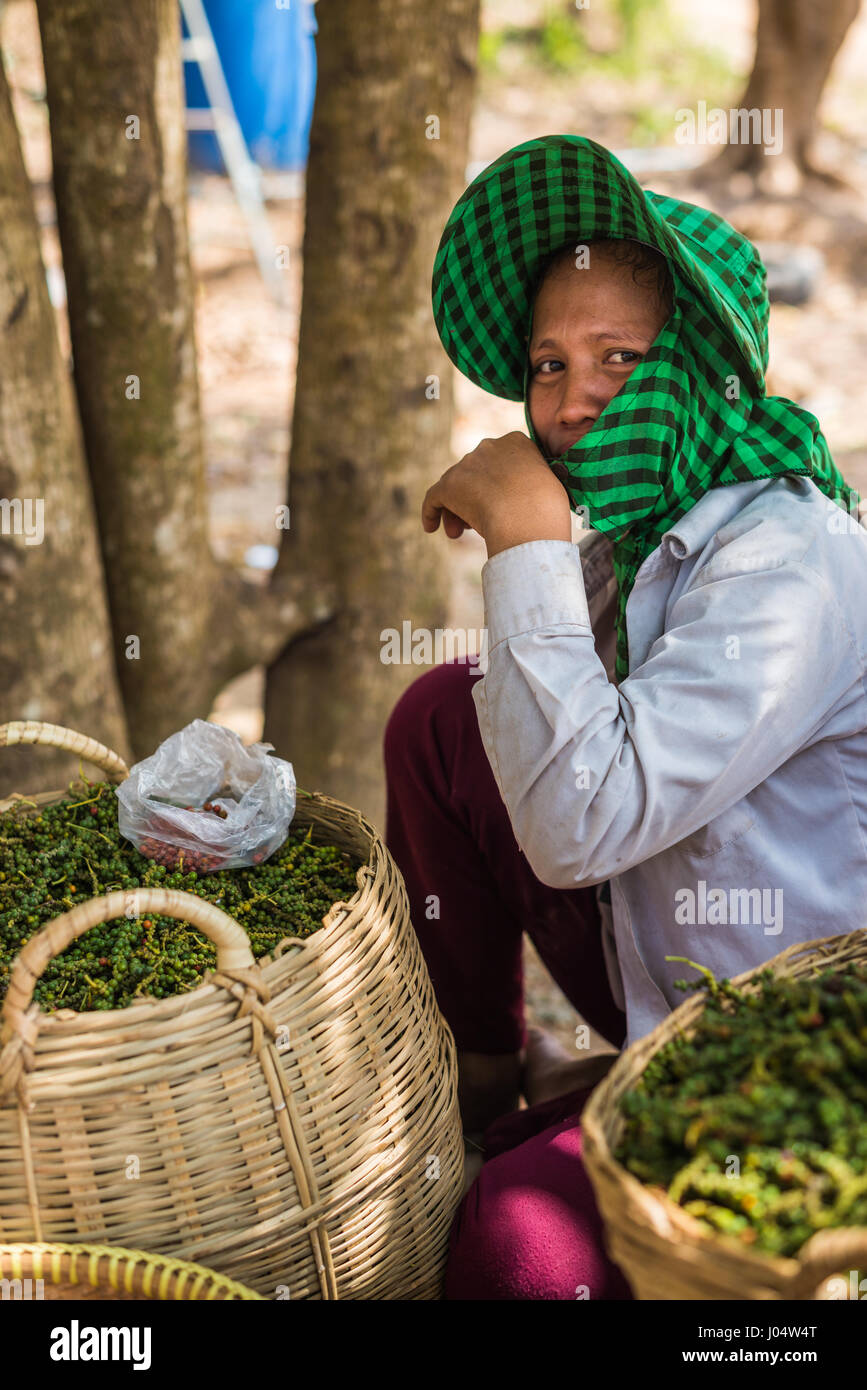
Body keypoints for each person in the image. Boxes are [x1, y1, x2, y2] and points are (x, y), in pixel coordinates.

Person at [383, 135, 867, 1299]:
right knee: (443, 717)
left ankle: (572, 1118)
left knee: (517, 1249)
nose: (571, 399)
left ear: (703, 368)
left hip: (783, 1035)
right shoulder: (643, 525)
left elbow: (581, 824)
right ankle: (491, 1075)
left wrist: (529, 545)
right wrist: (544, 560)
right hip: (657, 951)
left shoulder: (789, 564)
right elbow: (552, 737)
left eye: (619, 357)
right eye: (548, 363)